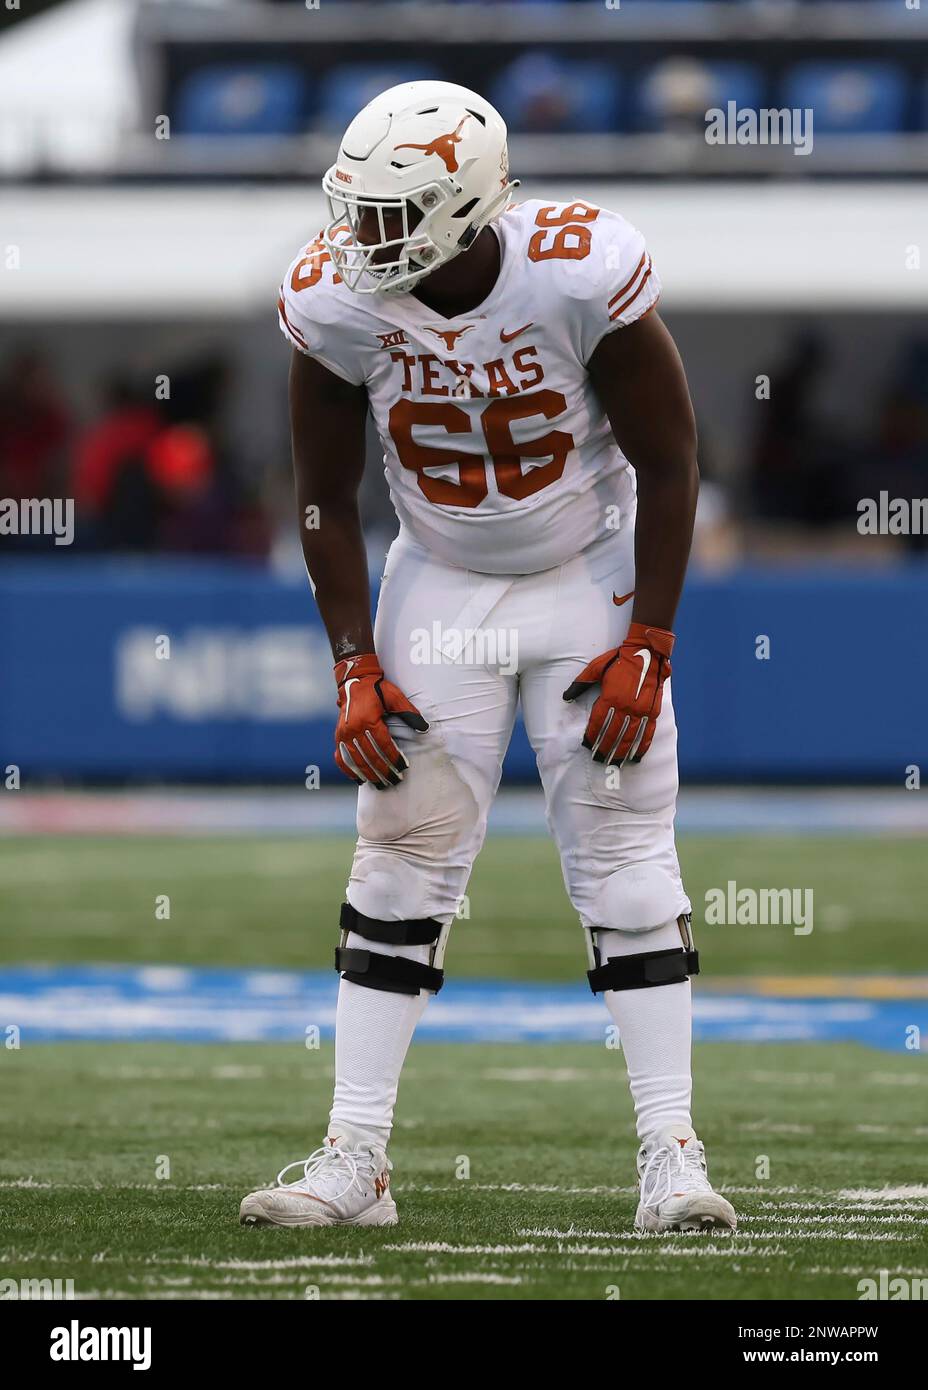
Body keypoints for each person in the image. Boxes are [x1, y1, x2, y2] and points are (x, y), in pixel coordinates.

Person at [241, 81, 736, 1235]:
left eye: (388, 212)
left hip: (586, 565)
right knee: (398, 856)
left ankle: (670, 1152)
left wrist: (650, 640)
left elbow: (670, 464)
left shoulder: (574, 268)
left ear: (465, 204)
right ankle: (356, 1159)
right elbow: (321, 497)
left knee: (622, 854)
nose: (358, 238)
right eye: (352, 207)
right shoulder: (334, 302)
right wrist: (351, 660)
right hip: (441, 575)